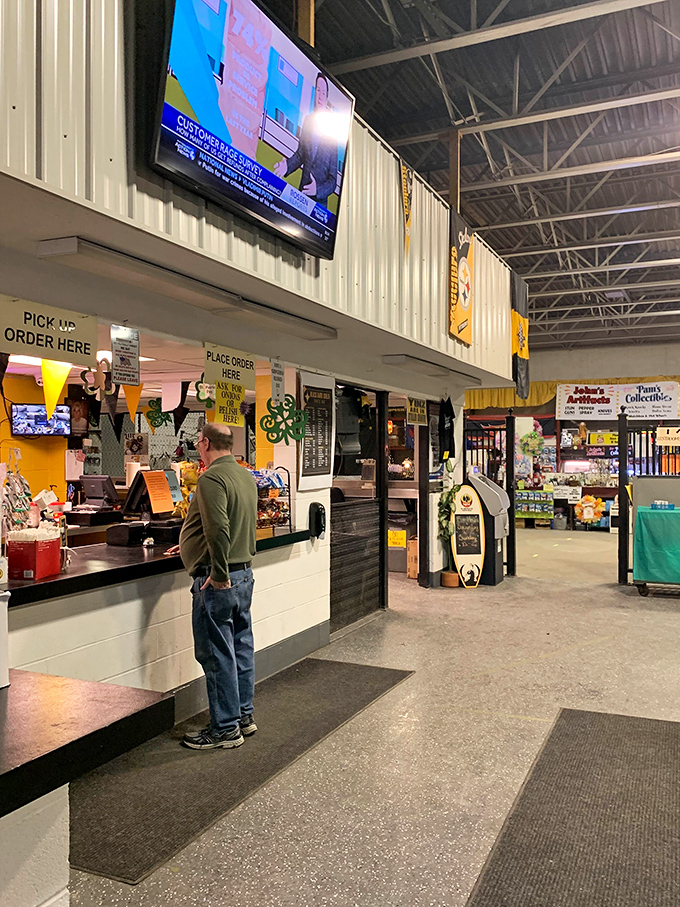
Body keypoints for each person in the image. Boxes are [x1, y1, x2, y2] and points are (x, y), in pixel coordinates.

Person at [166, 423, 258, 750]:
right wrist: (191, 542)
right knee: (240, 647)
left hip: (218, 578)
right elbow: (234, 523)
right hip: (244, 573)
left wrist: (218, 571)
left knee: (217, 654)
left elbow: (219, 528)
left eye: (198, 444)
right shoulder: (245, 476)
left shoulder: (210, 478)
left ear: (204, 443)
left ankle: (224, 729)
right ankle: (243, 716)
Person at [273, 72, 338, 207]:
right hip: (301, 198)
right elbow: (301, 154)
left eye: (323, 93)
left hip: (319, 208)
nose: (320, 96)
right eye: (318, 91)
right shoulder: (308, 121)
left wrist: (317, 190)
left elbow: (333, 181)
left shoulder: (332, 133)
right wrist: (287, 166)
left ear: (327, 97)